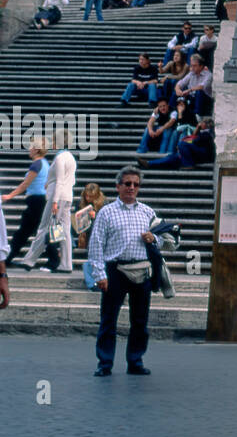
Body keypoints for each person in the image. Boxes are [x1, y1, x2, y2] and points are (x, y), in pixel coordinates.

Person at [87, 166, 160, 376]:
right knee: (108, 320)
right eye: (127, 183)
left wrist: (154, 238)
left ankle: (135, 361)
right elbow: (96, 244)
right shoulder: (106, 212)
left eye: (136, 184)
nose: (131, 187)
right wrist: (100, 274)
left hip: (141, 269)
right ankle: (105, 363)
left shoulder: (148, 212)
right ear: (118, 186)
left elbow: (165, 239)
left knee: (140, 321)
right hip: (115, 270)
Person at [16, 137, 77, 274]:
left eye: (54, 140)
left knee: (44, 228)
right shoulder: (71, 157)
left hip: (57, 197)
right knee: (64, 230)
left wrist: (54, 201)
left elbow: (60, 181)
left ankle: (29, 260)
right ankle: (66, 264)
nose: (52, 144)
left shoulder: (60, 158)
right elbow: (70, 180)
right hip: (66, 196)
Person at [3, 138, 50, 265]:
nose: (29, 150)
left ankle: (7, 259)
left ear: (36, 149)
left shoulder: (36, 165)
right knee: (39, 231)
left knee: (23, 232)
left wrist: (10, 196)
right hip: (42, 201)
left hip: (36, 202)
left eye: (31, 147)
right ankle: (55, 259)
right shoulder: (45, 163)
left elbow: (25, 184)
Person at [146, 117, 215, 169]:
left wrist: (183, 146)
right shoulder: (203, 133)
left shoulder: (207, 133)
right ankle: (149, 163)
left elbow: (194, 141)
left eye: (201, 123)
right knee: (171, 157)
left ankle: (188, 164)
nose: (199, 124)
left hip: (203, 156)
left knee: (182, 144)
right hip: (196, 155)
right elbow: (194, 139)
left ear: (205, 124)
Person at [74, 184, 107, 290]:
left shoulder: (104, 203)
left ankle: (97, 281)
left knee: (96, 259)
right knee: (91, 259)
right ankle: (93, 283)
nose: (88, 199)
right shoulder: (80, 202)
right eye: (86, 196)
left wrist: (96, 216)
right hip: (86, 233)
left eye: (91, 197)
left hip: (99, 233)